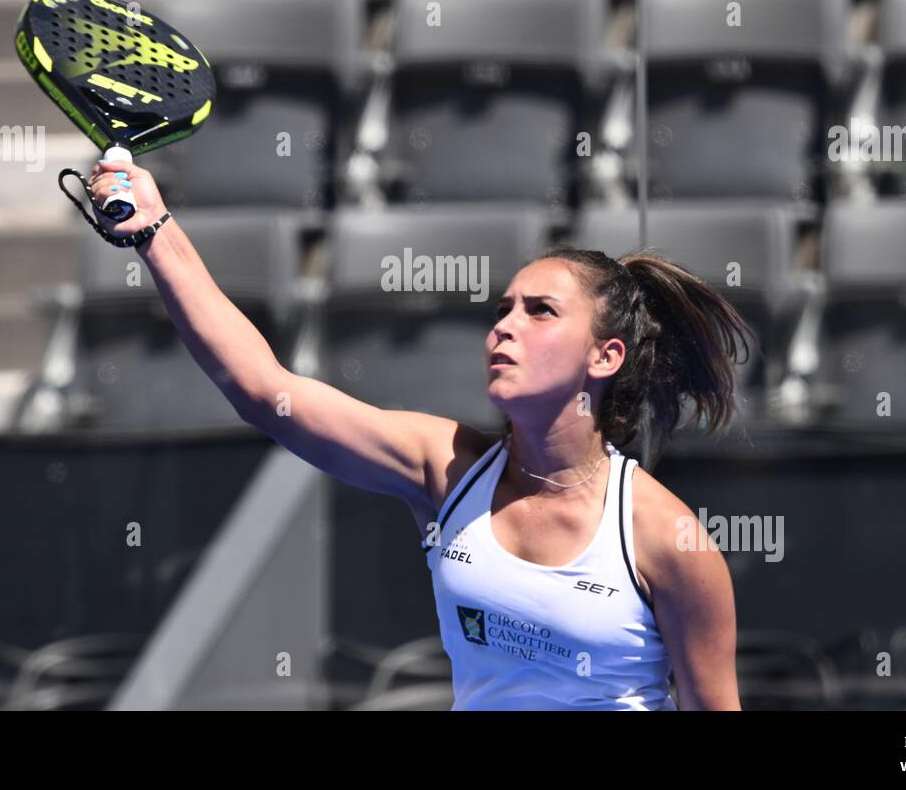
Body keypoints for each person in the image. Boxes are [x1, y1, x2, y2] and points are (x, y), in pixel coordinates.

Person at [86, 156, 753, 710]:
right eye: (503, 310)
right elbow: (265, 392)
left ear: (604, 357)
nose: (506, 327)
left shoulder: (668, 540)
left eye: (540, 311)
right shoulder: (446, 469)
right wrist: (154, 229)